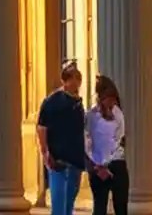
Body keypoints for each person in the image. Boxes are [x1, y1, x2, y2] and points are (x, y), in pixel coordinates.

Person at [37, 61, 86, 215]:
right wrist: (45, 152)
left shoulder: (78, 103)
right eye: (73, 79)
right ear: (65, 81)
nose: (77, 83)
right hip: (57, 158)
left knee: (70, 200)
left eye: (78, 79)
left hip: (75, 158)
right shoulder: (52, 102)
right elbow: (41, 128)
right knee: (59, 201)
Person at [85, 75, 128, 215]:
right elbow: (87, 143)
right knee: (100, 207)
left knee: (121, 206)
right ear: (101, 99)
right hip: (99, 165)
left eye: (114, 98)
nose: (113, 102)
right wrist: (98, 167)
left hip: (117, 163)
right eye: (110, 98)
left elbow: (121, 139)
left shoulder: (118, 114)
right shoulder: (91, 116)